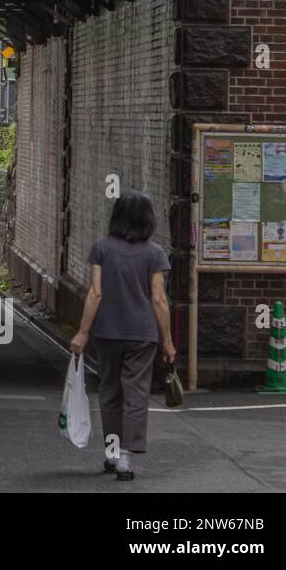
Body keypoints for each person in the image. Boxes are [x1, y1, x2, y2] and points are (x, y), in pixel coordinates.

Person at [70, 191, 174, 482]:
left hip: (108, 331)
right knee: (136, 393)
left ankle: (112, 452)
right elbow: (158, 299)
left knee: (110, 392)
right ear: (148, 219)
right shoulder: (155, 254)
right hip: (142, 335)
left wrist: (82, 332)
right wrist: (167, 341)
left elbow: (96, 292)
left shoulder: (101, 249)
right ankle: (125, 459)